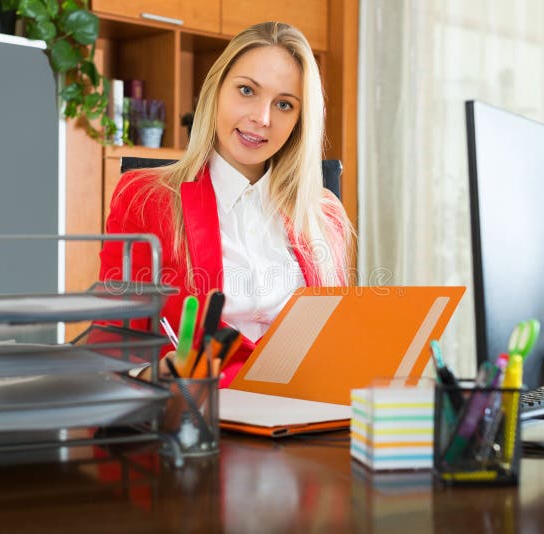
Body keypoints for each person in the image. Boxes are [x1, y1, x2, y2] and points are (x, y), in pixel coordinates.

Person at [99, 21, 355, 387]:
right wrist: (157, 374)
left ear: (301, 120)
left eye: (284, 104)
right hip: (204, 417)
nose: (262, 118)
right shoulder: (146, 198)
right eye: (247, 90)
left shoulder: (325, 213)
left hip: (308, 417)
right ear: (216, 90)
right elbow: (112, 345)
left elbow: (338, 342)